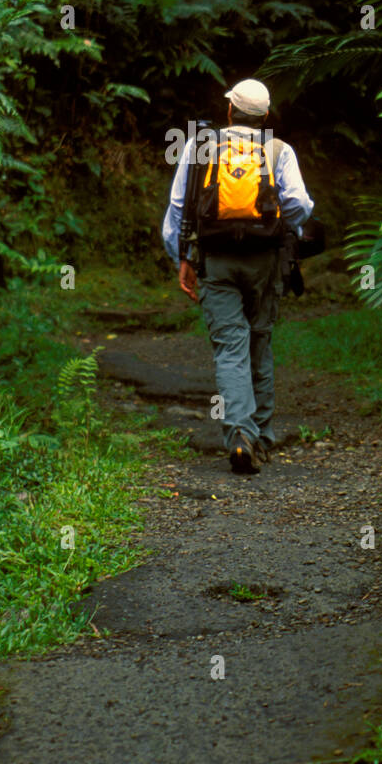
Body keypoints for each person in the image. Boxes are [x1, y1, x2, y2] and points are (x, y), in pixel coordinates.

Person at [161, 79, 314, 475]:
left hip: (216, 260)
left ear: (230, 111)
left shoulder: (200, 147)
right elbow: (298, 204)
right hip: (265, 261)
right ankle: (260, 434)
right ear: (265, 116)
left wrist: (182, 258)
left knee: (231, 347)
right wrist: (288, 232)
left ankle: (240, 436)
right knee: (259, 340)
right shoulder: (279, 151)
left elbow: (178, 209)